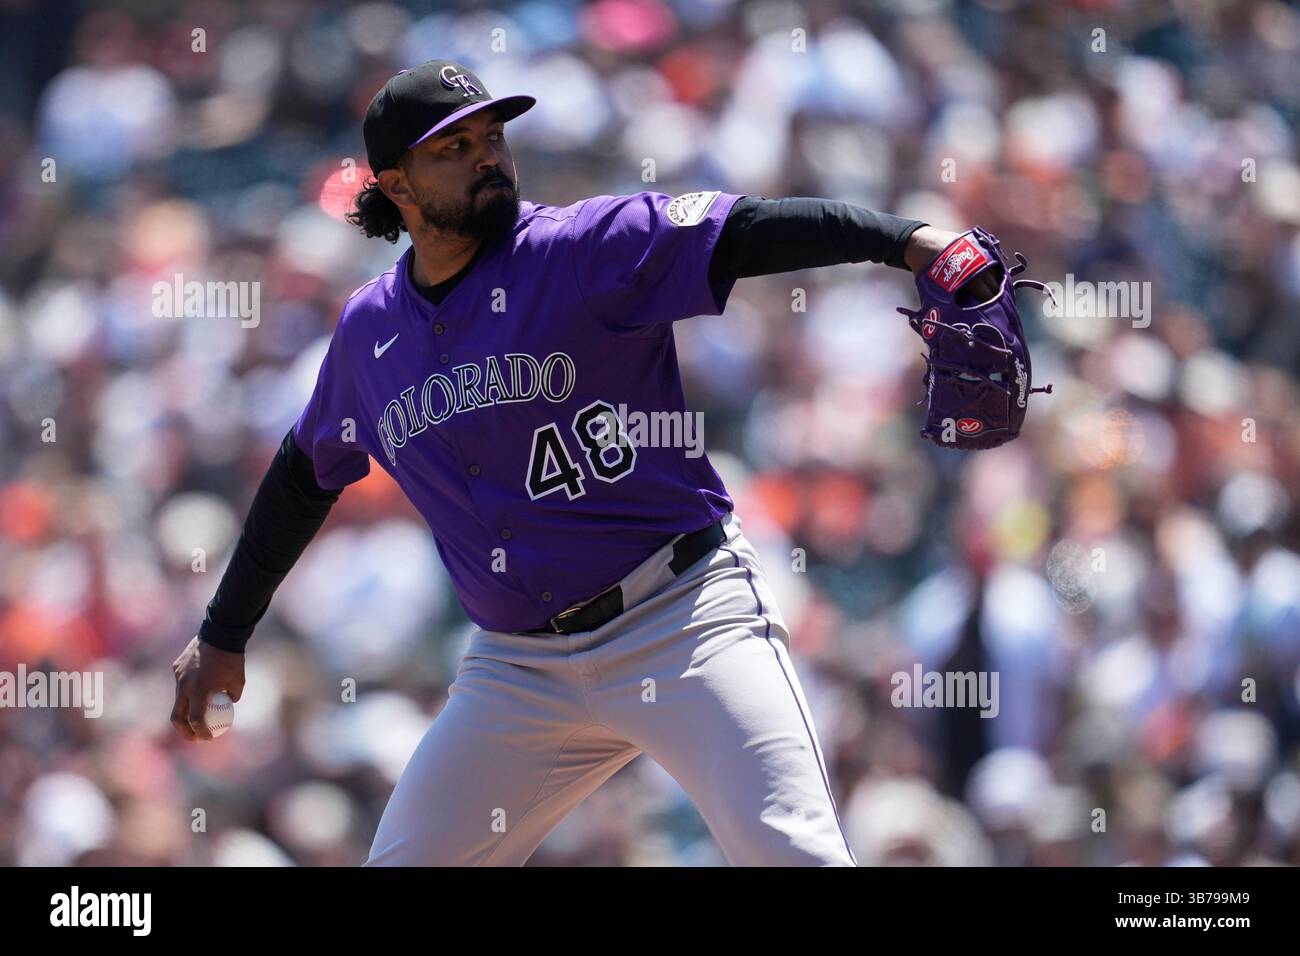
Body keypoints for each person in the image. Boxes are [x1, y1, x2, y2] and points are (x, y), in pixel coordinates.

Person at [171, 59, 977, 866]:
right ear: (398, 185)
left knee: (795, 855)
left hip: (683, 619)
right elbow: (303, 474)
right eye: (454, 146)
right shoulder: (369, 330)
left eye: (492, 135)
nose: (488, 155)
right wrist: (224, 634)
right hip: (519, 668)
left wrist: (906, 242)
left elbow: (747, 228)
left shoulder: (581, 248)